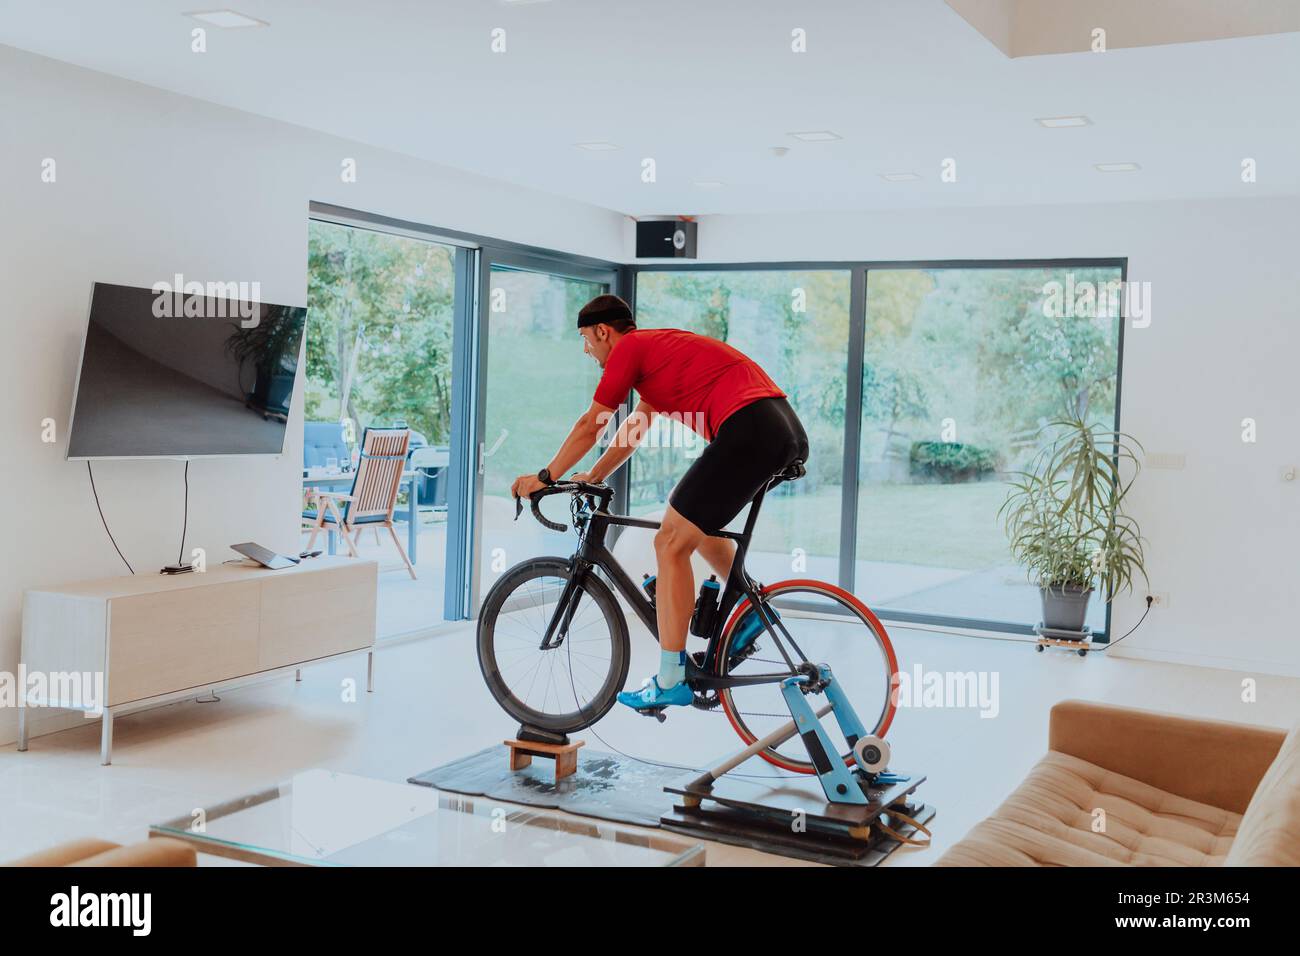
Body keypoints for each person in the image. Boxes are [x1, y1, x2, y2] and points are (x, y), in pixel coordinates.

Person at [510, 294, 808, 711]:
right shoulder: (653, 356)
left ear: (602, 331)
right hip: (779, 427)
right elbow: (635, 426)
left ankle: (671, 677)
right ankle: (749, 606)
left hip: (751, 427)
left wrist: (545, 477)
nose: (585, 349)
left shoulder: (628, 349)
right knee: (691, 518)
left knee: (669, 542)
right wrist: (594, 475)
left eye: (585, 338)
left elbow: (591, 423)